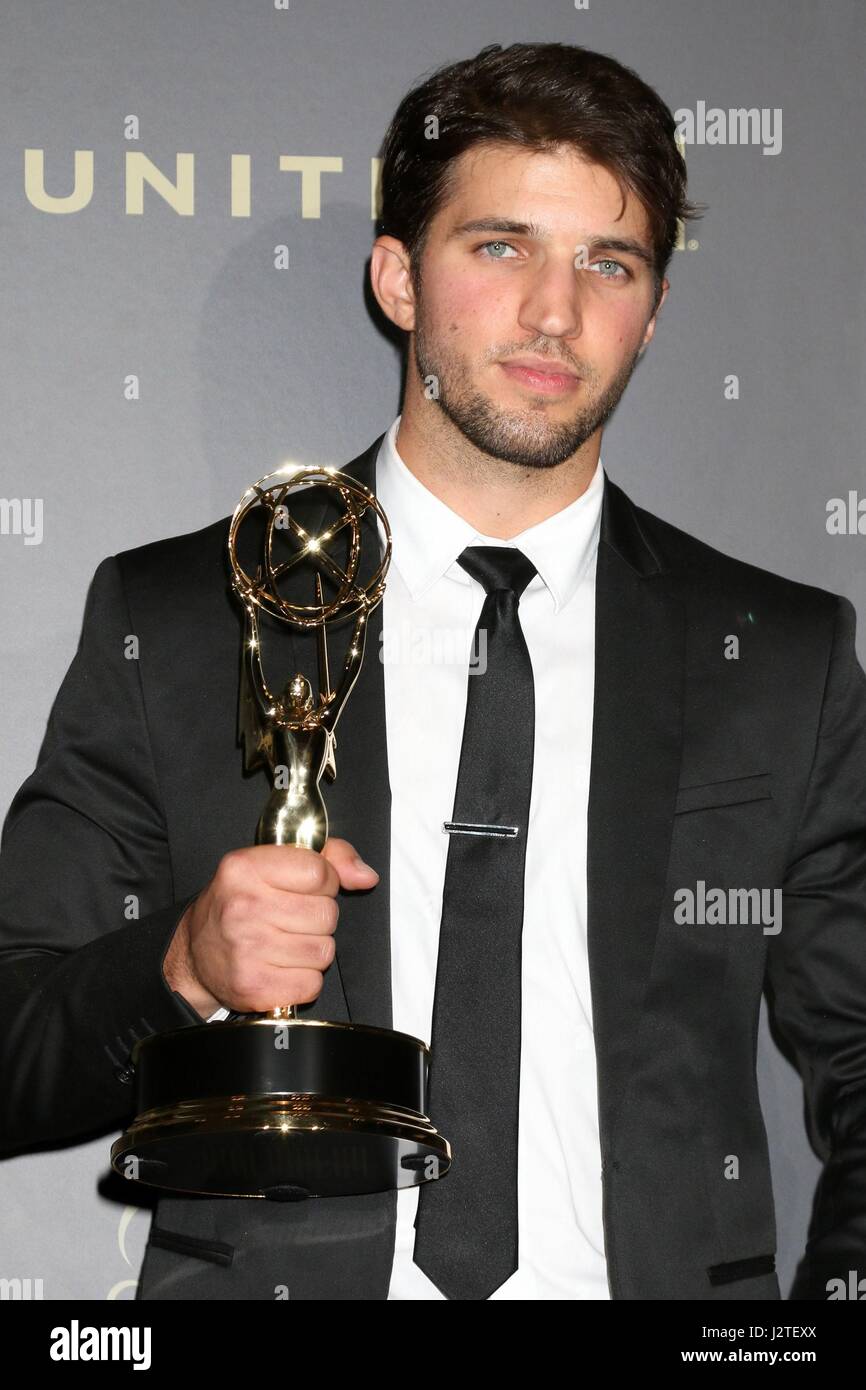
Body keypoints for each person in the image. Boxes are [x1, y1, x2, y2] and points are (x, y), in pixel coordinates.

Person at [1, 41, 864, 1301]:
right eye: (501, 246)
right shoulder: (181, 617)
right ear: (397, 277)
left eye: (606, 263)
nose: (554, 312)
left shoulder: (777, 655)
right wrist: (181, 965)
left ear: (654, 308)